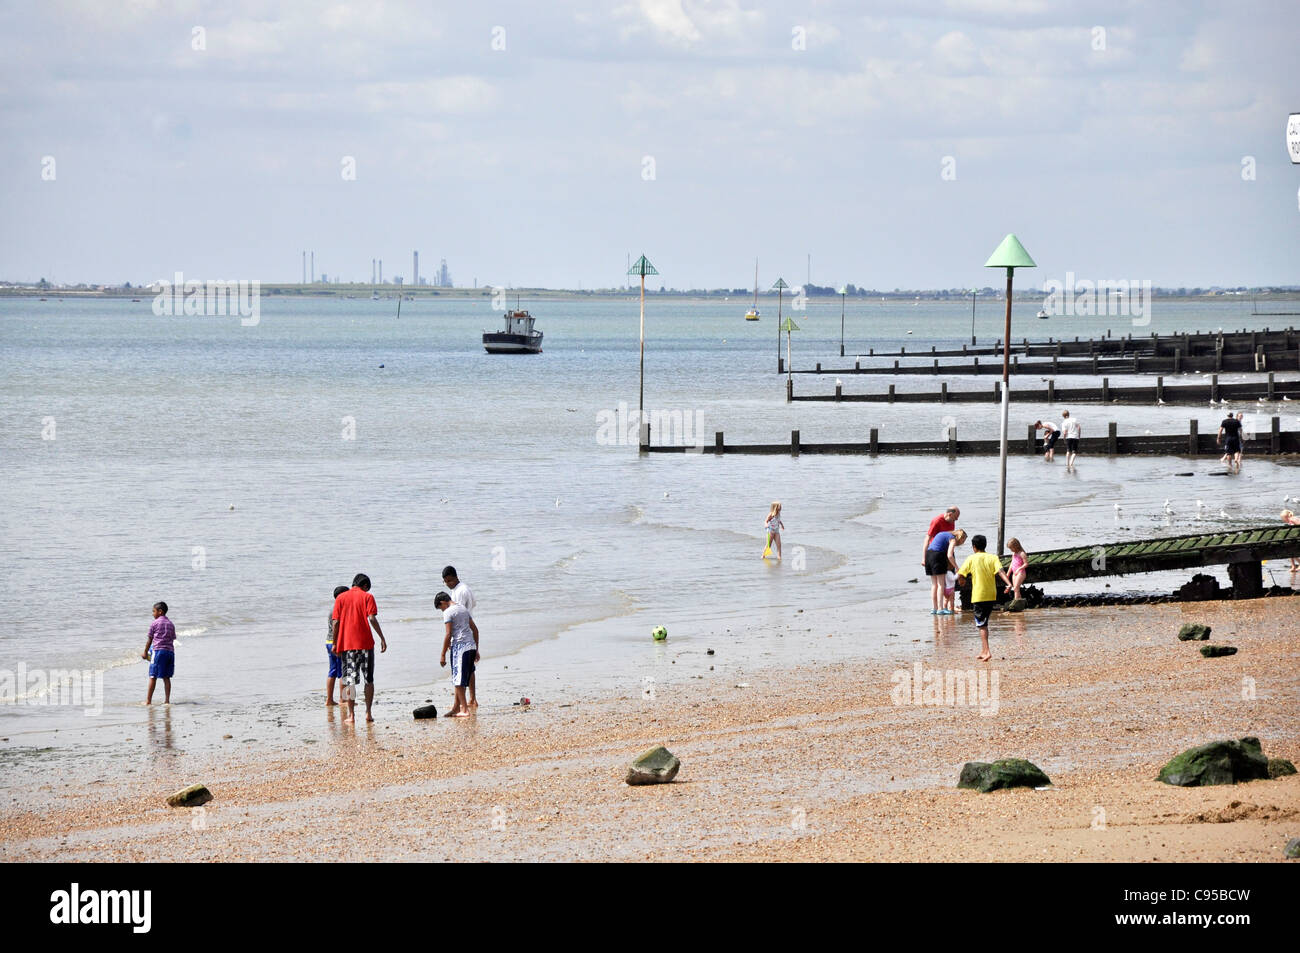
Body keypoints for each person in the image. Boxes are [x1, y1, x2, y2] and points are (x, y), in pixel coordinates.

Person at [331, 573, 388, 724]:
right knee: (369, 680)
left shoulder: (341, 598)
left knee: (349, 681)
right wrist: (382, 637)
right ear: (365, 586)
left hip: (347, 646)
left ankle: (351, 715)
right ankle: (368, 713)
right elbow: (372, 618)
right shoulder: (368, 597)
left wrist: (335, 643)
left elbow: (335, 623)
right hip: (366, 645)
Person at [957, 535, 1002, 662]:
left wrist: (962, 582)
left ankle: (987, 651)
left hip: (979, 596)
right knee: (984, 623)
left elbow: (961, 574)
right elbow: (1000, 571)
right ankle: (983, 650)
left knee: (982, 625)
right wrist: (1008, 583)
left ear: (974, 547)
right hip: (991, 595)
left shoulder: (971, 558)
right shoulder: (993, 557)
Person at [436, 591, 480, 718]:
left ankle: (465, 710)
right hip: (471, 646)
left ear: (443, 603)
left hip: (460, 647)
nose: (441, 611)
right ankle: (456, 708)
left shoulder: (448, 612)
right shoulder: (463, 608)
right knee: (461, 676)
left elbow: (448, 634)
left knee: (458, 680)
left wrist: (443, 654)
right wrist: (476, 649)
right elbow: (475, 629)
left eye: (440, 608)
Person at [442, 566, 478, 710]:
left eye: (449, 580)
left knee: (460, 671)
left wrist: (451, 637)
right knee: (469, 668)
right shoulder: (462, 589)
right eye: (445, 582)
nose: (448, 583)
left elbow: (458, 613)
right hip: (468, 631)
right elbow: (473, 605)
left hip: (462, 634)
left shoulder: (460, 591)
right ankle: (472, 699)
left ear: (455, 577)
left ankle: (460, 704)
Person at [923, 506, 960, 611]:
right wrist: (923, 557)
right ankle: (940, 608)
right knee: (940, 583)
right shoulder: (937, 521)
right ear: (950, 514)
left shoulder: (951, 522)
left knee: (945, 581)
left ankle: (947, 606)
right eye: (956, 517)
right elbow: (927, 538)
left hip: (939, 552)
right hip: (938, 554)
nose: (956, 520)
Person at [141, 601, 175, 704]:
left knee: (153, 676)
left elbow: (149, 640)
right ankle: (167, 700)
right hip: (170, 653)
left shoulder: (155, 623)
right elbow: (172, 639)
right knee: (166, 677)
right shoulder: (171, 624)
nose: (152, 614)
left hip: (158, 651)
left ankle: (148, 701)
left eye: (153, 611)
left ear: (160, 612)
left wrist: (145, 652)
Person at [926, 527, 967, 614]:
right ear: (961, 537)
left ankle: (935, 608)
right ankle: (940, 609)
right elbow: (949, 555)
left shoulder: (943, 534)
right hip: (937, 556)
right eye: (963, 541)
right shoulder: (952, 539)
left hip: (928, 555)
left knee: (934, 584)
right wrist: (956, 567)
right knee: (941, 584)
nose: (961, 543)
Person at [325, 584, 348, 706]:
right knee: (343, 672)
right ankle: (343, 699)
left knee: (332, 671)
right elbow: (337, 626)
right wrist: (337, 643)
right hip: (337, 643)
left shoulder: (332, 609)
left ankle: (329, 700)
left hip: (328, 642)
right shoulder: (340, 609)